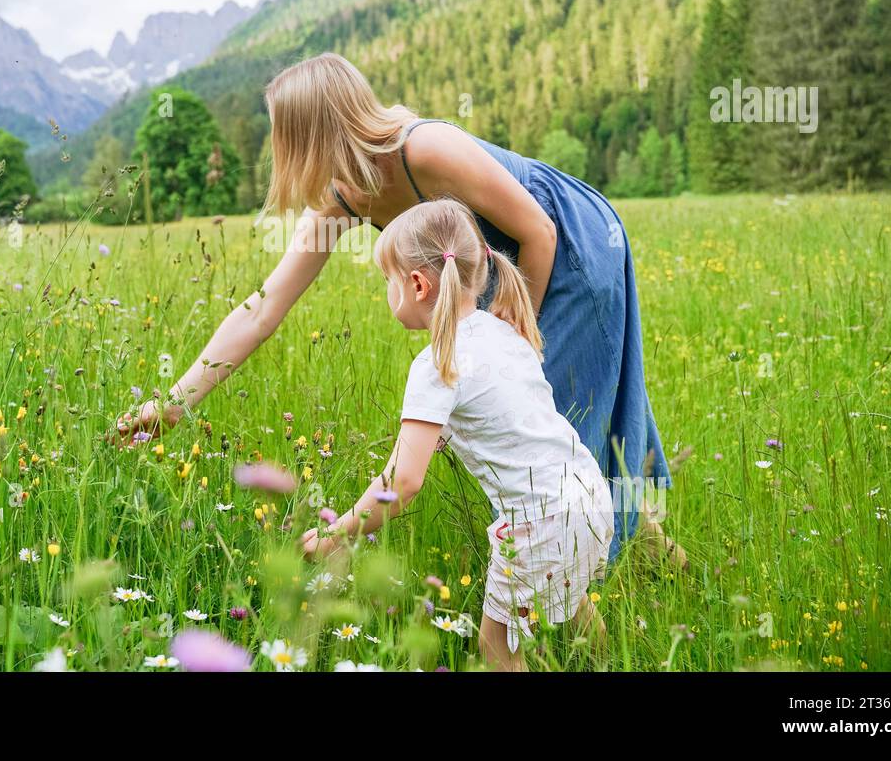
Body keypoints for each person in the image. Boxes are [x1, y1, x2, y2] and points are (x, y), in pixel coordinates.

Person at [117, 52, 686, 567]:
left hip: (569, 245)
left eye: (283, 137)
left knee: (553, 421)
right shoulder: (342, 198)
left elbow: (538, 227)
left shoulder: (423, 150)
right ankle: (659, 556)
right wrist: (173, 406)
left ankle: (584, 586)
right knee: (550, 429)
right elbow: (261, 311)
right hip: (500, 260)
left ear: (311, 134)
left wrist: (511, 343)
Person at [299, 199, 613, 670]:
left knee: (495, 648)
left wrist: (337, 535)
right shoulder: (504, 331)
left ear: (417, 285)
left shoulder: (435, 364)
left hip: (540, 520)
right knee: (570, 599)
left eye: (388, 280)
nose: (387, 291)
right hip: (588, 497)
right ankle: (611, 661)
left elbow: (403, 484)